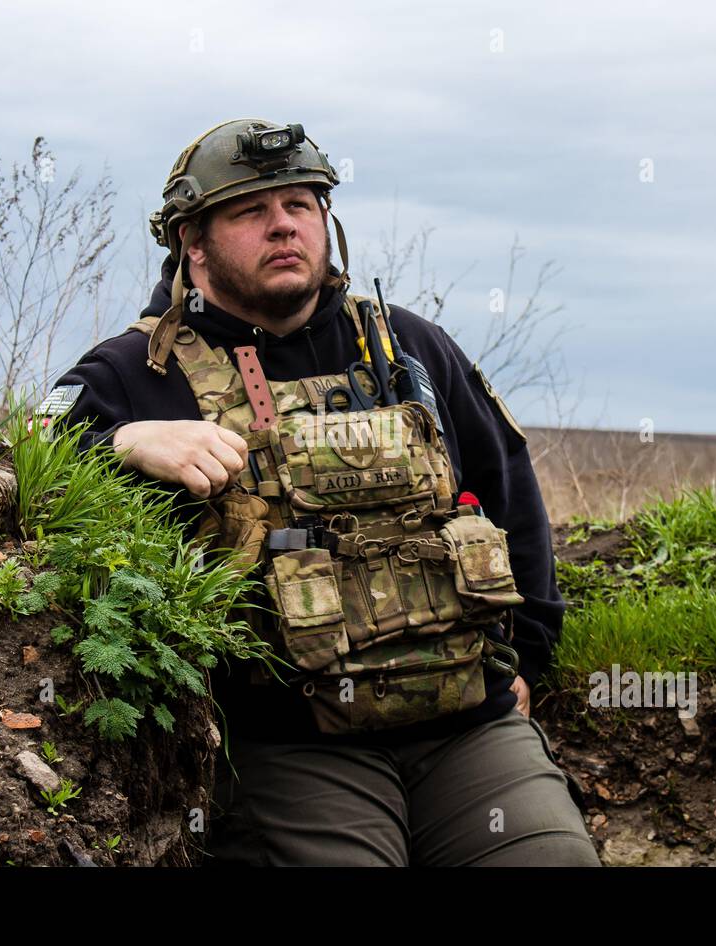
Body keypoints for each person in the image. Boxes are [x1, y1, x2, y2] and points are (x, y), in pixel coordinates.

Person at [45, 119, 601, 866]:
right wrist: (122, 440)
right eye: (251, 211)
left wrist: (528, 661)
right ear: (192, 241)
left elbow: (512, 501)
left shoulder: (409, 348)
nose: (284, 226)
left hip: (467, 728)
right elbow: (13, 457)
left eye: (302, 205)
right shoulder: (133, 373)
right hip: (287, 744)